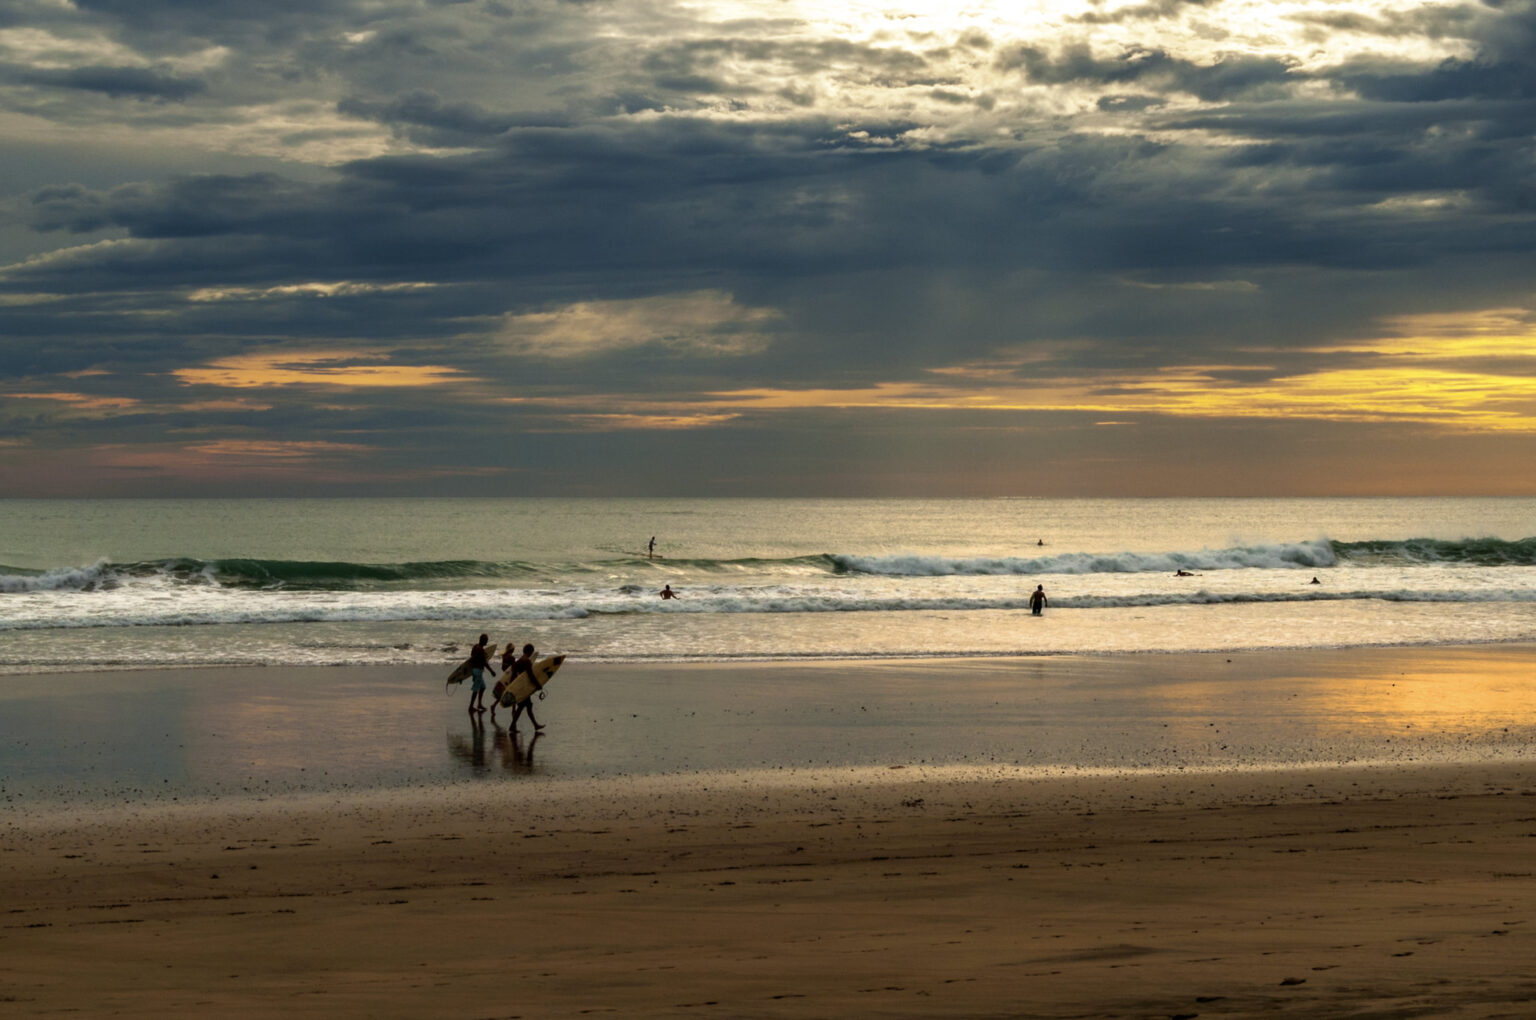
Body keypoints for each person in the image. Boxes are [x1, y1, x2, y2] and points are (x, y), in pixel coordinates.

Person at [510, 643, 546, 732]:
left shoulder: (518, 661)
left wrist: (512, 687)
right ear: (530, 652)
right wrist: (537, 685)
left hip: (519, 687)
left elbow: (513, 675)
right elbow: (530, 675)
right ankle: (512, 726)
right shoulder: (527, 661)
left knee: (528, 706)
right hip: (523, 688)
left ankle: (535, 725)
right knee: (523, 707)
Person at [490, 642, 518, 723]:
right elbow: (514, 668)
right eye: (513, 649)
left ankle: (493, 706)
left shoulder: (504, 656)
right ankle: (513, 710)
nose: (514, 650)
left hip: (506, 676)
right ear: (512, 649)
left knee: (503, 693)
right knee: (513, 692)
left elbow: (503, 668)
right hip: (511, 677)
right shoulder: (511, 657)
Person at [467, 633, 495, 715]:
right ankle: (471, 707)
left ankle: (479, 704)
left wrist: (472, 671)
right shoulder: (481, 650)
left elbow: (471, 657)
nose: (487, 642)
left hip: (474, 670)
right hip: (478, 671)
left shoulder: (475, 647)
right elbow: (484, 662)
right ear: (482, 640)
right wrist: (491, 671)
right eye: (486, 640)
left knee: (483, 687)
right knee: (476, 690)